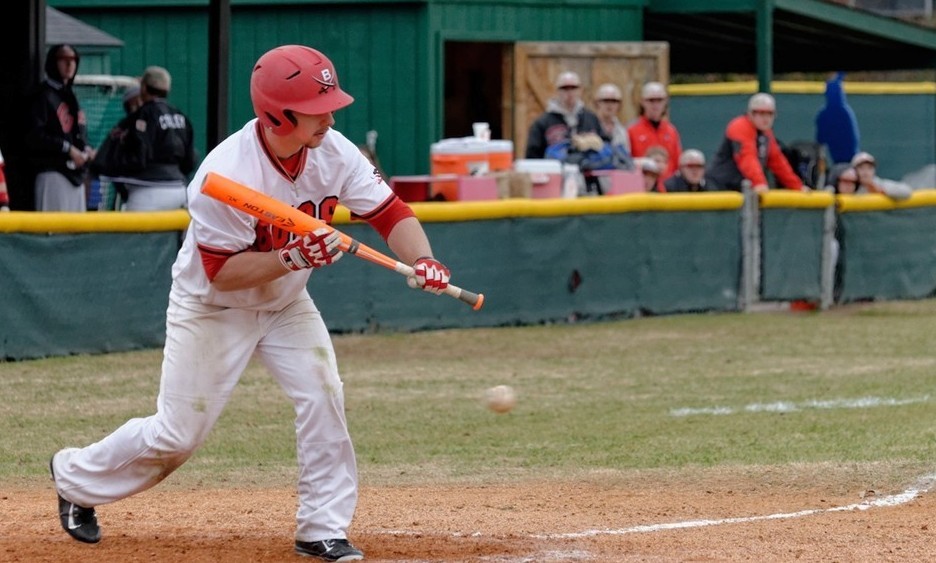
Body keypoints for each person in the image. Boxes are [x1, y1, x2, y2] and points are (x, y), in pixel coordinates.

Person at [49, 44, 456, 561]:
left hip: (286, 304)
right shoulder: (226, 174)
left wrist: (424, 259)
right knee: (177, 435)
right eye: (316, 107)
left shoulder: (334, 149)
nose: (330, 116)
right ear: (276, 114)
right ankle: (73, 477)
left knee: (323, 391)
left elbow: (390, 213)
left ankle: (321, 528)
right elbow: (223, 274)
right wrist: (292, 257)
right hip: (213, 307)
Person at [105, 66, 197, 211]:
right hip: (179, 190)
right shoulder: (181, 117)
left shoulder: (142, 115)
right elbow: (190, 161)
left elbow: (138, 155)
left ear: (144, 88)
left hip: (147, 191)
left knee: (135, 234)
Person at [26, 44, 94, 211]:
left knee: (75, 232)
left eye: (73, 60)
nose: (70, 65)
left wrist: (85, 149)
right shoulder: (42, 95)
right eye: (63, 60)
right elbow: (35, 136)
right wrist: (68, 149)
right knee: (53, 231)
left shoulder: (71, 95)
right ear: (52, 63)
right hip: (53, 173)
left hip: (76, 174)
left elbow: (78, 131)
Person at [705, 93, 805, 193]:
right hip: (719, 187)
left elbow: (777, 162)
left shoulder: (766, 133)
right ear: (750, 114)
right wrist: (759, 183)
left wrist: (797, 186)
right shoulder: (739, 126)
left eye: (770, 114)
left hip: (740, 189)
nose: (766, 118)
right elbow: (747, 158)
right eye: (761, 113)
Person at [524, 71, 604, 159]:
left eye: (573, 88)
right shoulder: (542, 122)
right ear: (557, 91)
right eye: (564, 88)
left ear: (581, 90)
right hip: (555, 170)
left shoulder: (591, 118)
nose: (569, 92)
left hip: (588, 169)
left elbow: (605, 147)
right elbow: (532, 155)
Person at [627, 81, 682, 180]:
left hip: (668, 187)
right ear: (642, 102)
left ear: (665, 102)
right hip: (643, 186)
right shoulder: (632, 130)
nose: (655, 105)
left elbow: (677, 162)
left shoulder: (671, 130)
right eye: (651, 100)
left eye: (659, 100)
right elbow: (626, 162)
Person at [815, 72, 860, 165]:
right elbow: (820, 140)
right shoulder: (827, 113)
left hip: (848, 157)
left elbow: (821, 139)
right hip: (839, 159)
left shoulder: (827, 113)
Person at [592, 83, 634, 170]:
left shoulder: (622, 132)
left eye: (614, 101)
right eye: (606, 101)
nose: (610, 105)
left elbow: (626, 158)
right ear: (597, 103)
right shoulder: (589, 126)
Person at [847, 151, 913, 200]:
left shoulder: (879, 184)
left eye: (869, 168)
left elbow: (907, 191)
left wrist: (883, 191)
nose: (865, 172)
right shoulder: (847, 186)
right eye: (861, 168)